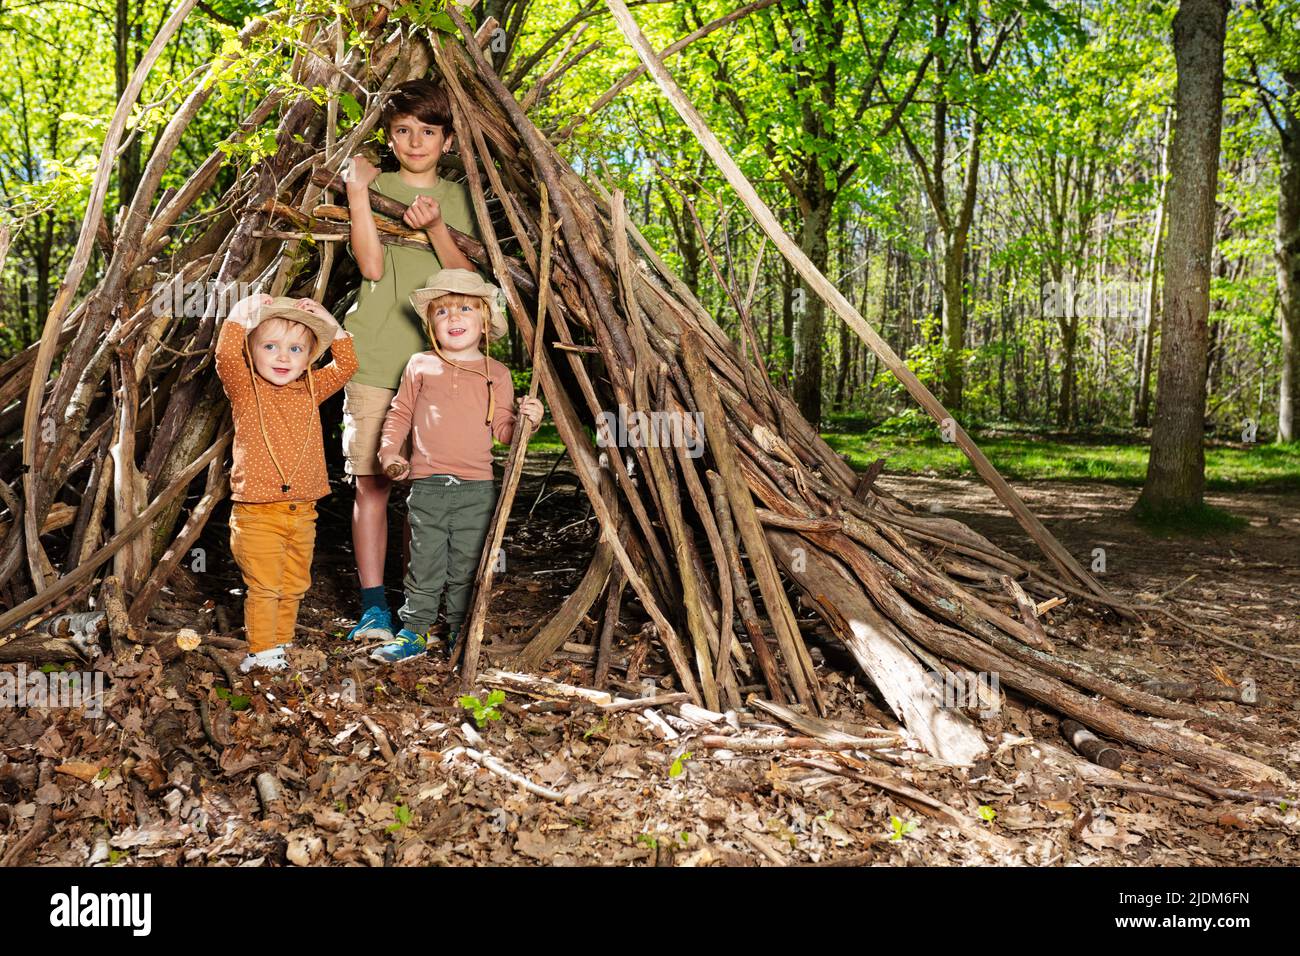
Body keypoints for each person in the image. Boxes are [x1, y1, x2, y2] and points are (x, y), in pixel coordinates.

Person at [341, 78, 481, 644]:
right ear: (389, 137)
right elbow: (372, 267)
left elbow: (466, 280)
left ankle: (418, 609)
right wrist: (357, 192)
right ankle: (374, 607)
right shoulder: (376, 185)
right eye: (403, 131)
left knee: (430, 490)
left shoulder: (461, 200)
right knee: (372, 482)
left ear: (448, 140)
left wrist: (436, 227)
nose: (415, 141)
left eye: (428, 131)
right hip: (376, 353)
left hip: (442, 367)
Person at [371, 269, 543, 662]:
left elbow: (504, 430)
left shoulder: (495, 374)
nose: (453, 318)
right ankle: (413, 630)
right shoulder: (419, 365)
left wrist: (525, 422)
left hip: (476, 487)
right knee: (424, 560)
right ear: (431, 322)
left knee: (467, 563)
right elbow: (399, 413)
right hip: (428, 483)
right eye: (442, 311)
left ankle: (459, 631)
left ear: (484, 320)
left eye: (465, 308)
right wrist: (389, 452)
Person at [214, 293, 357, 672]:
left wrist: (331, 322)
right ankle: (261, 653)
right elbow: (225, 356)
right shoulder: (246, 389)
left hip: (304, 511)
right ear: (251, 350)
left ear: (309, 357)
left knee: (295, 582)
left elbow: (347, 364)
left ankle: (281, 642)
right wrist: (240, 315)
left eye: (295, 349)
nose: (282, 357)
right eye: (271, 346)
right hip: (257, 513)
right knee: (264, 586)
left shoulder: (312, 389)